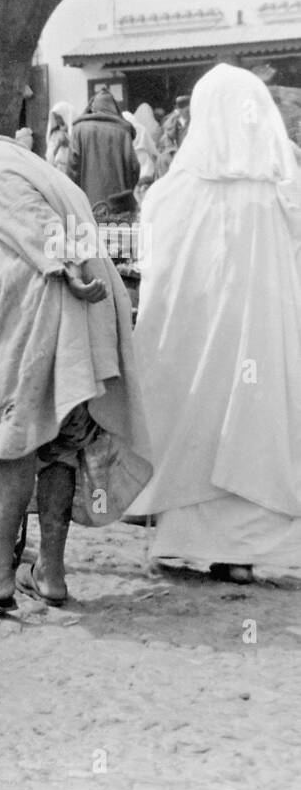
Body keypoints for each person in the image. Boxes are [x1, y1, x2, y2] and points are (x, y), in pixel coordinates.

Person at [0, 134, 150, 612]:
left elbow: (34, 222)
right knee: (61, 441)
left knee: (18, 431)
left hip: (45, 301)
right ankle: (50, 571)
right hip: (87, 306)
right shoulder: (37, 169)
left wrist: (64, 266)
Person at [129, 64, 301, 583]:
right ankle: (245, 552)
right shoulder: (282, 192)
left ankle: (193, 540)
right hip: (264, 345)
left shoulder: (175, 192)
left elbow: (158, 269)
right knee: (257, 423)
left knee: (198, 423)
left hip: (200, 347)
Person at [68, 90, 140, 207]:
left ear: (93, 108)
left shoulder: (79, 130)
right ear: (114, 108)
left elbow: (72, 168)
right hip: (118, 205)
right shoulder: (123, 132)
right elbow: (134, 168)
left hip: (87, 203)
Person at [45, 101, 74, 173]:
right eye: (56, 118)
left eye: (59, 118)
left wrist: (69, 144)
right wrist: (58, 145)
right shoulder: (55, 134)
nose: (57, 121)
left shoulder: (75, 132)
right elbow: (50, 155)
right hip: (56, 170)